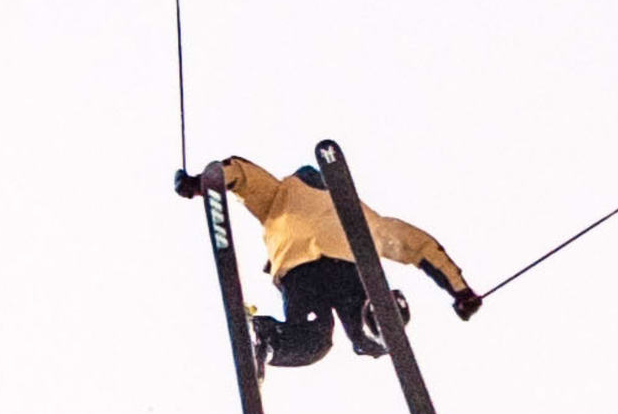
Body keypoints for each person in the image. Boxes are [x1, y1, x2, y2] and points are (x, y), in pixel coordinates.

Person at [175, 157, 483, 371]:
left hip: (298, 273)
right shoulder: (361, 215)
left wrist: (202, 183)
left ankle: (268, 338)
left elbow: (242, 175)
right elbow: (420, 247)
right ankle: (377, 319)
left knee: (313, 339)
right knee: (364, 336)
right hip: (346, 268)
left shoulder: (279, 195)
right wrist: (460, 291)